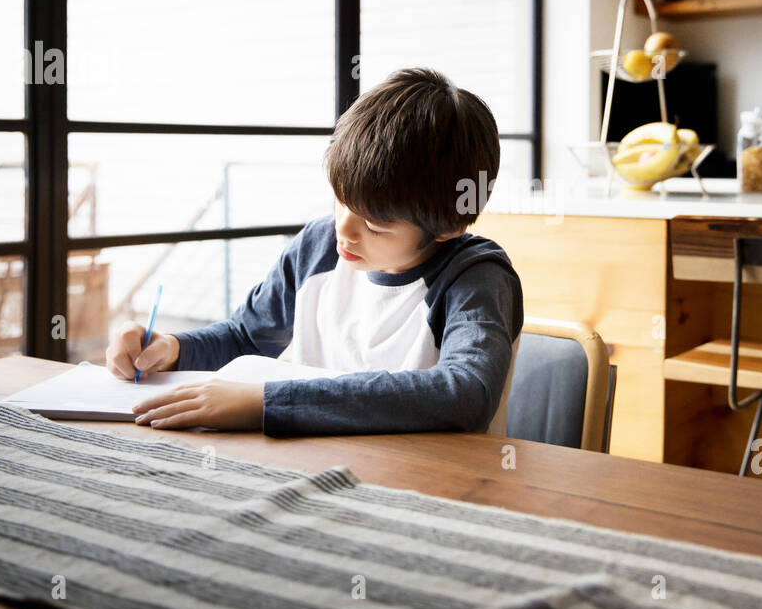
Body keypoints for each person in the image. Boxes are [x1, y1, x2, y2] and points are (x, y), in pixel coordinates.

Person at [103, 68, 523, 435]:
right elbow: (248, 336)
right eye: (340, 201)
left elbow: (466, 392)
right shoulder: (317, 247)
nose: (344, 230)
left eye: (375, 224)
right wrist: (174, 348)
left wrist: (265, 403)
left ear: (448, 226)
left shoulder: (475, 277)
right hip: (318, 467)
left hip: (428, 482)